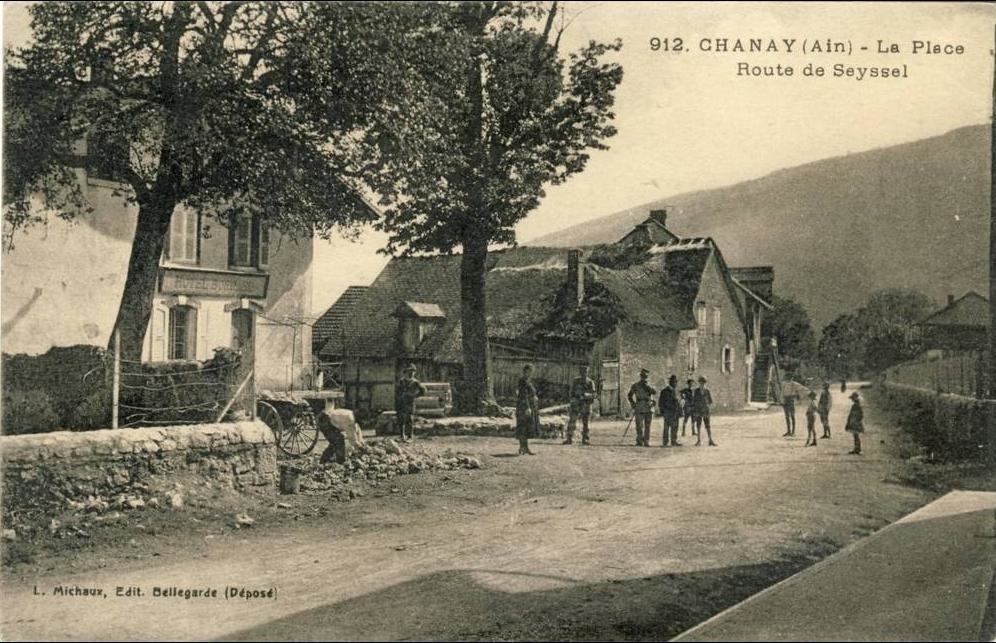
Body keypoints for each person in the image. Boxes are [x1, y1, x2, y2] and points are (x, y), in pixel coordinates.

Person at [566, 364, 596, 445]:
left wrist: (586, 395)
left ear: (587, 372)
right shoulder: (576, 381)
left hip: (586, 404)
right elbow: (571, 393)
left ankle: (585, 439)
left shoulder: (590, 382)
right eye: (582, 372)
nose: (583, 373)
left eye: (585, 372)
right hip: (576, 404)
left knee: (586, 423)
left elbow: (594, 394)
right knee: (572, 421)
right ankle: (569, 438)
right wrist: (573, 399)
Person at [395, 364, 426, 441]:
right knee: (401, 419)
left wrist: (414, 395)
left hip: (410, 402)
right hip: (401, 402)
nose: (411, 373)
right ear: (405, 372)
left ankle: (410, 436)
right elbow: (397, 391)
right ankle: (402, 435)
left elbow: (423, 390)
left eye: (412, 371)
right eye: (409, 371)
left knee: (409, 419)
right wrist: (399, 397)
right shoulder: (401, 381)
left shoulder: (415, 382)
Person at [627, 368, 656, 447]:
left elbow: (654, 392)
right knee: (639, 425)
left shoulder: (650, 385)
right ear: (641, 376)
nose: (644, 378)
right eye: (643, 376)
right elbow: (629, 395)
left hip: (648, 406)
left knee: (647, 425)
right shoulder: (635, 385)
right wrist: (633, 404)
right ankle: (639, 440)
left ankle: (646, 441)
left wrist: (648, 387)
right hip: (639, 406)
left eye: (646, 376)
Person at [515, 365, 538, 456]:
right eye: (529, 371)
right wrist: (527, 407)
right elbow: (523, 395)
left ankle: (525, 447)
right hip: (523, 407)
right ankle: (522, 447)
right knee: (523, 427)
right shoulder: (522, 381)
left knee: (526, 427)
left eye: (531, 371)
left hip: (529, 406)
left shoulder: (528, 381)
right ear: (525, 371)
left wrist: (534, 396)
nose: (530, 373)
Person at [658, 374, 682, 447]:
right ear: (670, 382)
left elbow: (679, 402)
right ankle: (665, 442)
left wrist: (680, 411)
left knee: (675, 427)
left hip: (675, 412)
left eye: (676, 382)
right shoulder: (664, 391)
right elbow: (660, 402)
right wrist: (662, 411)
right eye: (674, 382)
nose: (675, 383)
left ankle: (673, 441)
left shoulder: (677, 391)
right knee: (666, 427)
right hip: (668, 412)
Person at [692, 375, 716, 446]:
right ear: (699, 383)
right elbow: (694, 401)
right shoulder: (696, 391)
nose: (702, 384)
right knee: (698, 425)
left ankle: (710, 440)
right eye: (701, 382)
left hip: (705, 410)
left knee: (707, 425)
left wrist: (708, 408)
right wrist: (695, 411)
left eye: (703, 382)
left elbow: (710, 401)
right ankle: (698, 440)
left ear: (705, 383)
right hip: (698, 410)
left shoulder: (707, 391)